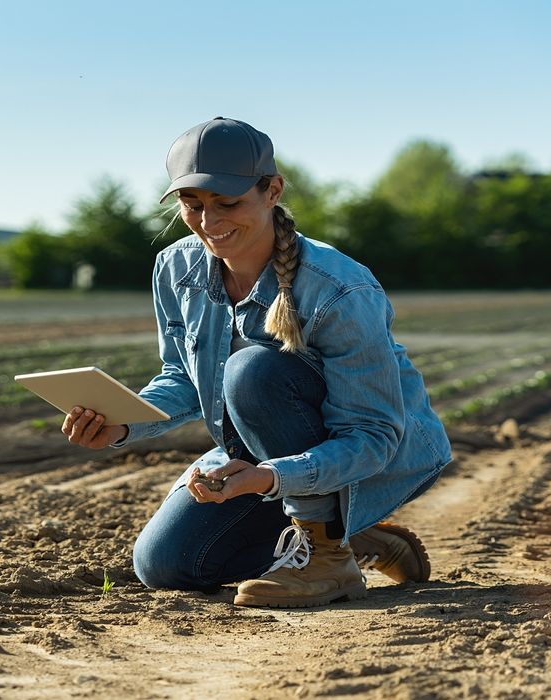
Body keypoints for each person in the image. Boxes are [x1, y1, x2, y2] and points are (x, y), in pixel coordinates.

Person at [61, 117, 451, 608]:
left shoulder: (338, 289)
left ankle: (327, 554)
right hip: (262, 451)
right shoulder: (176, 268)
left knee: (251, 371)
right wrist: (122, 422)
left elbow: (373, 435)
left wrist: (269, 477)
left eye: (228, 203)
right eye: (192, 205)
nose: (209, 223)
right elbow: (184, 377)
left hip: (375, 455)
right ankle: (357, 541)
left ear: (273, 190)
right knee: (165, 564)